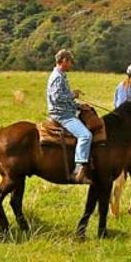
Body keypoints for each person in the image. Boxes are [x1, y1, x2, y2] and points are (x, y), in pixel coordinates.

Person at [47, 49, 91, 183]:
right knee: (85, 135)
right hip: (63, 115)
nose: (72, 65)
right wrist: (73, 94)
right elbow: (56, 97)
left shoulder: (61, 75)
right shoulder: (57, 77)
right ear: (64, 61)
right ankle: (79, 169)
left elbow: (63, 98)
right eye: (70, 62)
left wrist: (78, 106)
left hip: (66, 111)